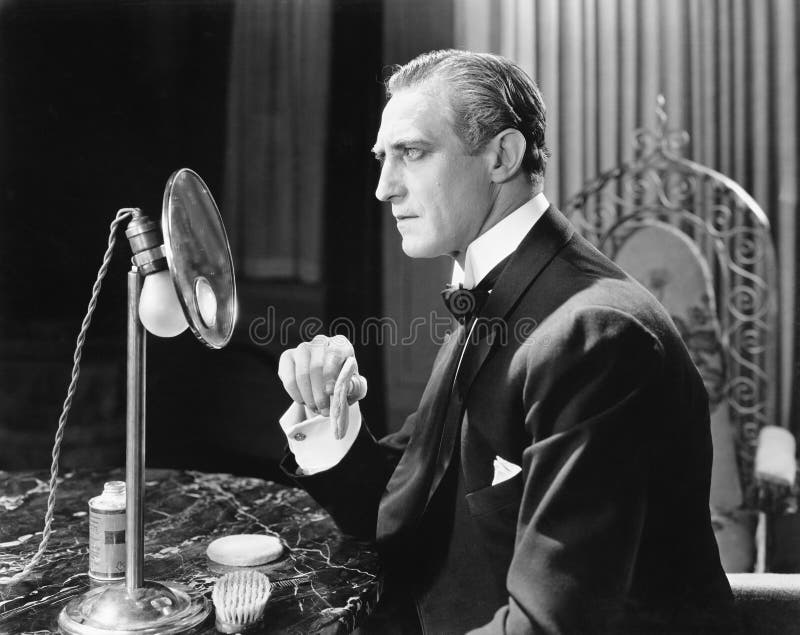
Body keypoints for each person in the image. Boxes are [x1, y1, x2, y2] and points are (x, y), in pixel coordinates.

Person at [276, 49, 737, 634]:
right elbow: (407, 503)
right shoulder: (497, 293)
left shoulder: (597, 336)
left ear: (502, 156)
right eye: (382, 159)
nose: (384, 188)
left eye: (411, 153)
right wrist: (328, 417)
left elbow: (554, 623)